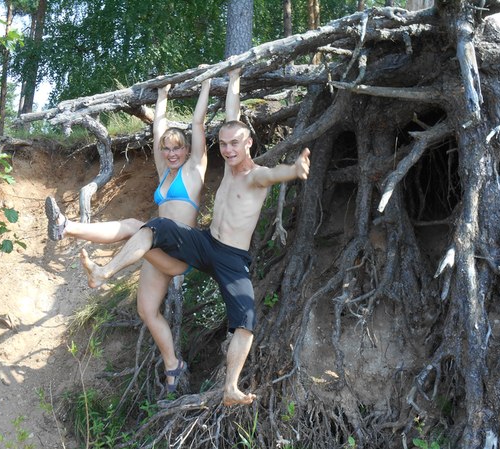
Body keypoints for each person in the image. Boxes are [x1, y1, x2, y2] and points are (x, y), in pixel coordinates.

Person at [79, 77, 311, 405]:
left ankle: (231, 388)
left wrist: (295, 170)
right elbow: (232, 114)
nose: (228, 149)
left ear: (248, 143)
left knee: (245, 321)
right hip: (206, 242)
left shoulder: (256, 175)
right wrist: (233, 77)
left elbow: (275, 174)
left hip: (232, 258)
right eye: (224, 144)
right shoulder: (229, 168)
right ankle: (104, 272)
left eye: (235, 144)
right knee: (156, 226)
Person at [45, 73, 225, 393]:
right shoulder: (164, 173)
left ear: (187, 150)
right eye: (166, 149)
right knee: (147, 310)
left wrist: (206, 83)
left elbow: (197, 123)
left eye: (177, 148)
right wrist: (163, 94)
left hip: (181, 250)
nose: (171, 153)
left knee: (132, 225)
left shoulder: (194, 170)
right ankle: (173, 365)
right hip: (159, 246)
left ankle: (82, 245)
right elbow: (159, 128)